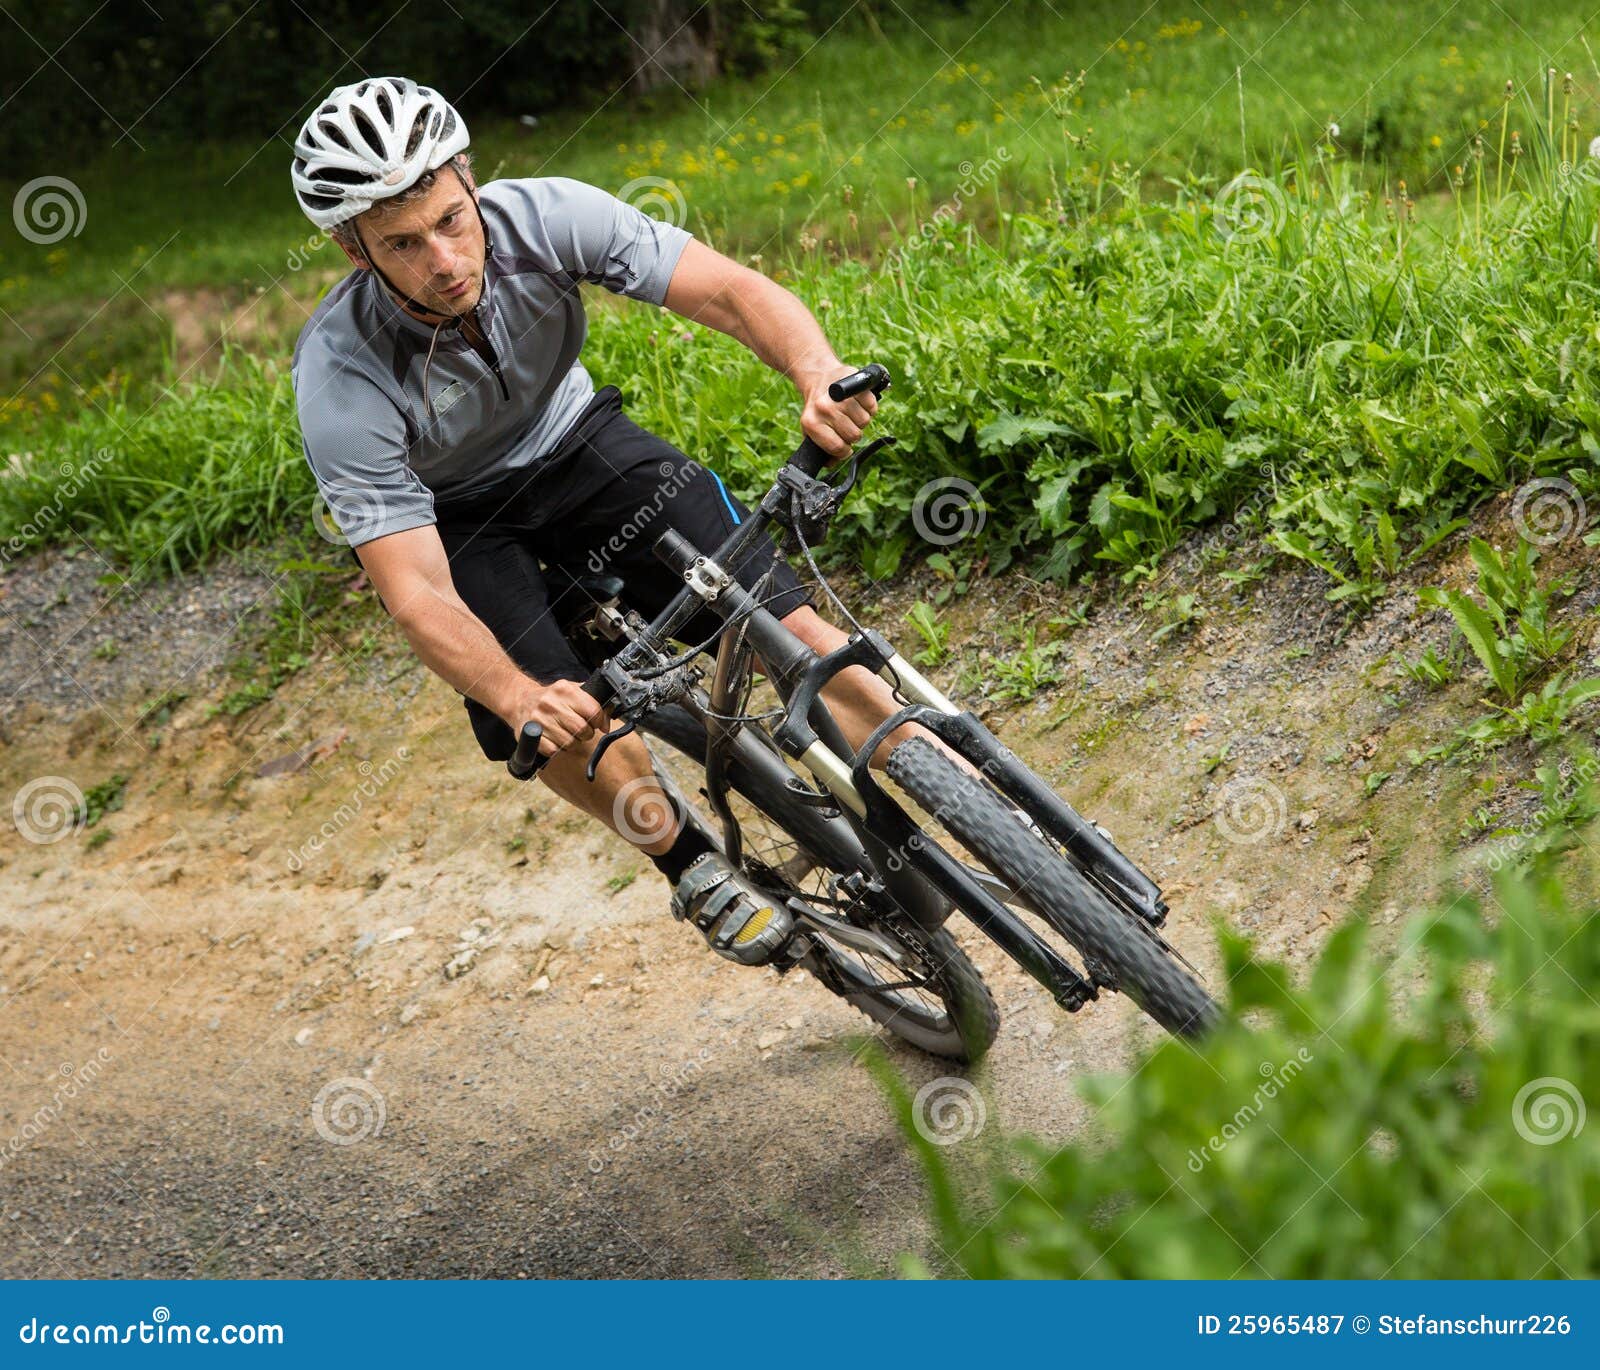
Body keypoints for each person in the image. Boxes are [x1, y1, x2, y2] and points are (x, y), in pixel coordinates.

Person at [290, 77, 909, 966]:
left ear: (469, 177)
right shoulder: (341, 379)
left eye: (451, 220)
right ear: (357, 250)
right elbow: (416, 591)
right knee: (560, 718)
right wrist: (516, 696)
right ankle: (689, 862)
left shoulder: (546, 217)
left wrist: (816, 372)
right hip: (460, 519)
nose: (445, 260)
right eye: (403, 243)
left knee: (784, 620)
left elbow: (729, 293)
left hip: (579, 444)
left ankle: (956, 781)